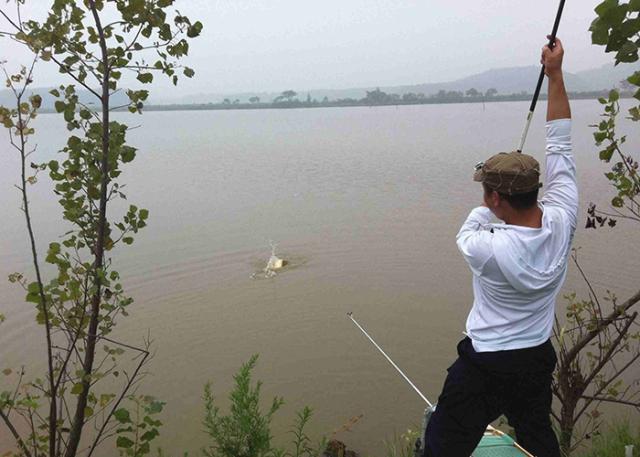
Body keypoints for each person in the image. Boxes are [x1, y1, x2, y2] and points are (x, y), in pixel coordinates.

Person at [424, 37, 576, 457]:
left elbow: (467, 231)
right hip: (534, 358)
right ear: (535, 189)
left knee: (443, 441)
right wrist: (556, 74)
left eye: (487, 192)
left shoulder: (486, 247)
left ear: (494, 199)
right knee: (536, 435)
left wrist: (490, 210)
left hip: (485, 363)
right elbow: (560, 142)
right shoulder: (562, 217)